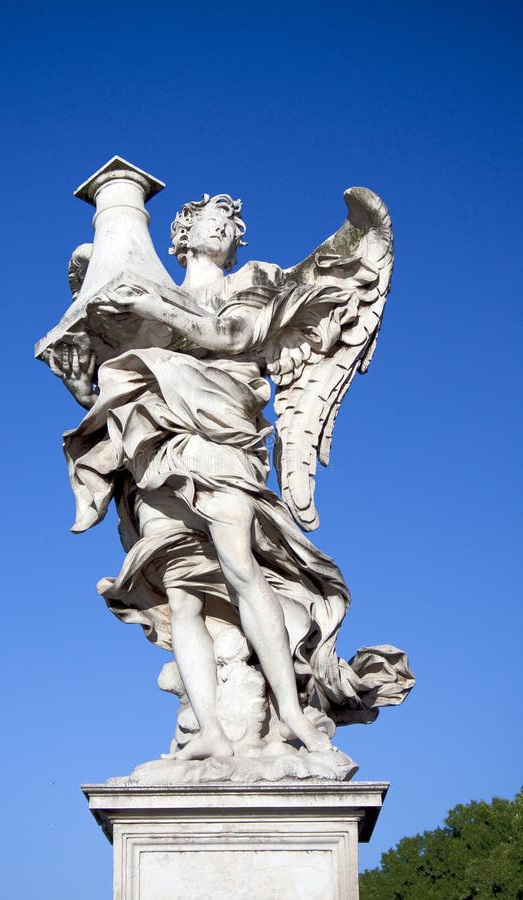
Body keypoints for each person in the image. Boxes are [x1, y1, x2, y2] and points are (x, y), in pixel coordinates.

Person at [52, 194, 386, 759]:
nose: (228, 229)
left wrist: (154, 309)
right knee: (181, 592)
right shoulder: (147, 291)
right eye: (214, 220)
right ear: (181, 234)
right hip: (159, 447)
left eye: (234, 224)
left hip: (223, 438)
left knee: (240, 567)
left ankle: (292, 716)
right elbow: (117, 396)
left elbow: (230, 338)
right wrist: (80, 383)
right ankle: (209, 729)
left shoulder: (253, 280)